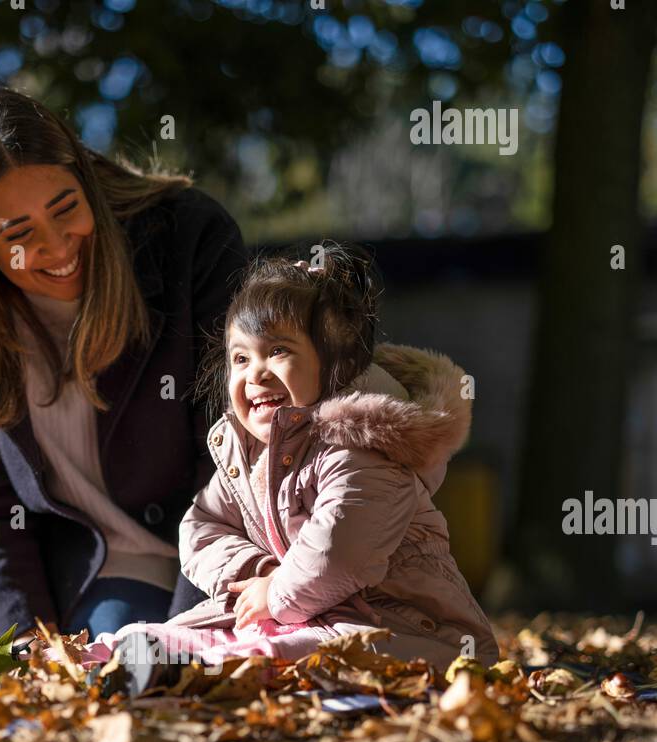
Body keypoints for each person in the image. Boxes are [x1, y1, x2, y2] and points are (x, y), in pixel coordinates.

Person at [0, 86, 247, 677]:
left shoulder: (190, 240)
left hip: (205, 557)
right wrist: (23, 652)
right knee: (75, 668)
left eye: (66, 209)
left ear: (85, 177)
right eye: (18, 234)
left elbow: (235, 453)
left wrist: (192, 636)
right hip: (80, 576)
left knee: (128, 663)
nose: (57, 248)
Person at [86, 248, 499, 690]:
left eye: (278, 351)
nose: (256, 374)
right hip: (297, 610)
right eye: (241, 358)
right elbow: (202, 525)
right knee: (183, 630)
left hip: (402, 627)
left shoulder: (363, 449)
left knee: (301, 656)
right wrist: (255, 574)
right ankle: (136, 655)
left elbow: (341, 553)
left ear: (336, 365)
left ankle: (193, 672)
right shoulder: (249, 453)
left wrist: (278, 593)